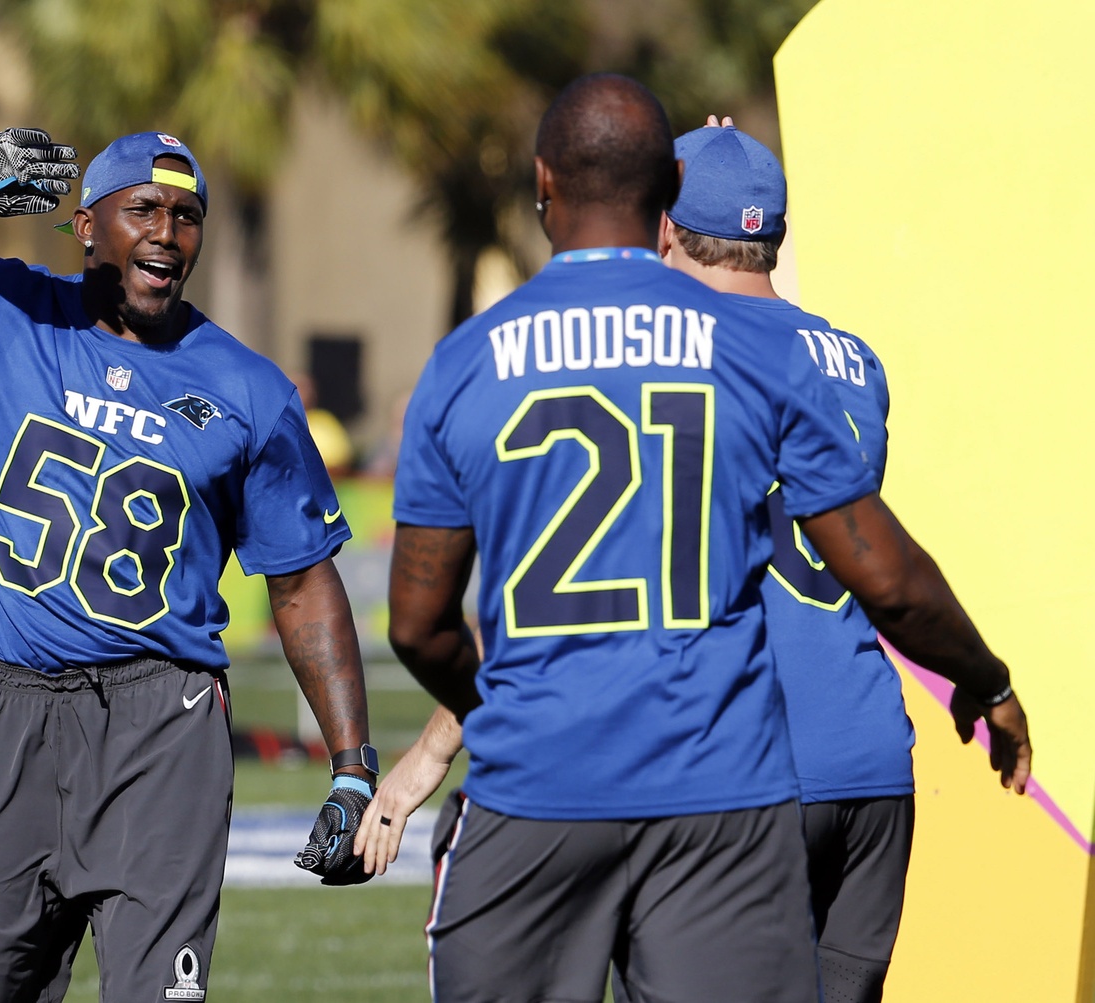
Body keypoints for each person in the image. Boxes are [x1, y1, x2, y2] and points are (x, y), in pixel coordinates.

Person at [353, 73, 1030, 1003]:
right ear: (663, 199)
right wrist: (984, 677)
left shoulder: (468, 360)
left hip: (543, 780)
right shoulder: (766, 354)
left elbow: (420, 623)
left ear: (542, 181)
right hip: (727, 787)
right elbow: (888, 576)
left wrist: (495, 709)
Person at [0, 127, 380, 1003]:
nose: (167, 234)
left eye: (186, 216)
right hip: (0, 710)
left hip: (159, 724)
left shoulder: (248, 388)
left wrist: (352, 765)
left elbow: (301, 579)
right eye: (143, 210)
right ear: (85, 225)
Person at [647, 116, 915, 1003]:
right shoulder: (859, 364)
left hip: (748, 762)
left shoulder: (673, 359)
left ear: (664, 231)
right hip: (871, 757)